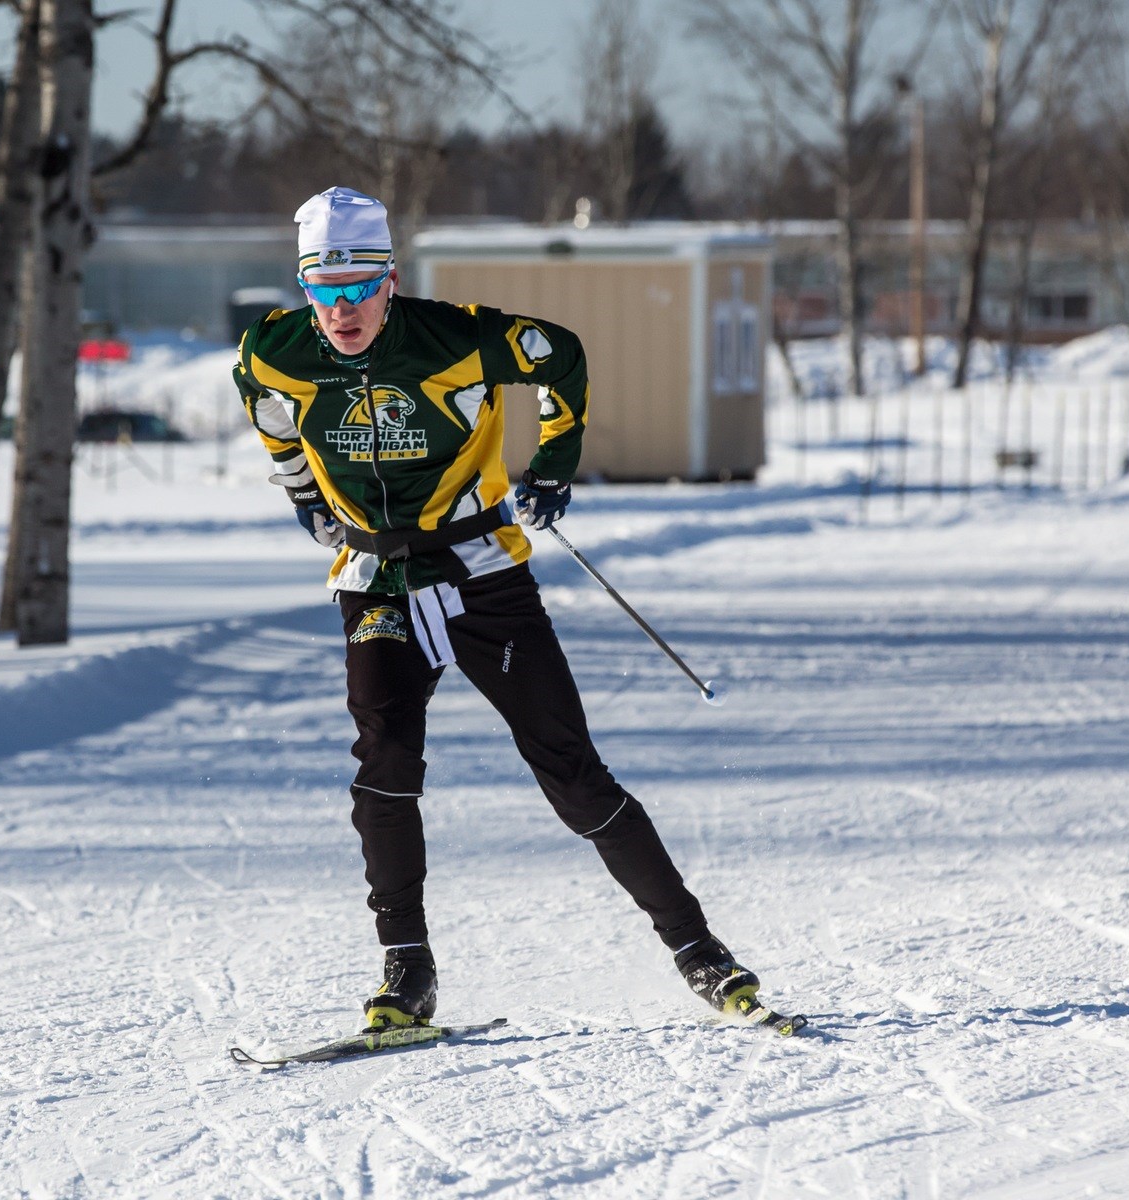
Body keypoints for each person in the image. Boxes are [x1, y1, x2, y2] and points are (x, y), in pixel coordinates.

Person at [232, 186, 769, 1030]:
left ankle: (699, 949)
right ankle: (407, 970)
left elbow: (563, 358)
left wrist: (554, 464)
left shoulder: (460, 335)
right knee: (384, 766)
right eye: (322, 289)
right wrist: (302, 491)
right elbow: (263, 408)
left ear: (390, 280)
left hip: (482, 570)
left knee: (574, 778)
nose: (341, 310)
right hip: (377, 581)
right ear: (304, 288)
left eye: (359, 286)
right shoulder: (276, 350)